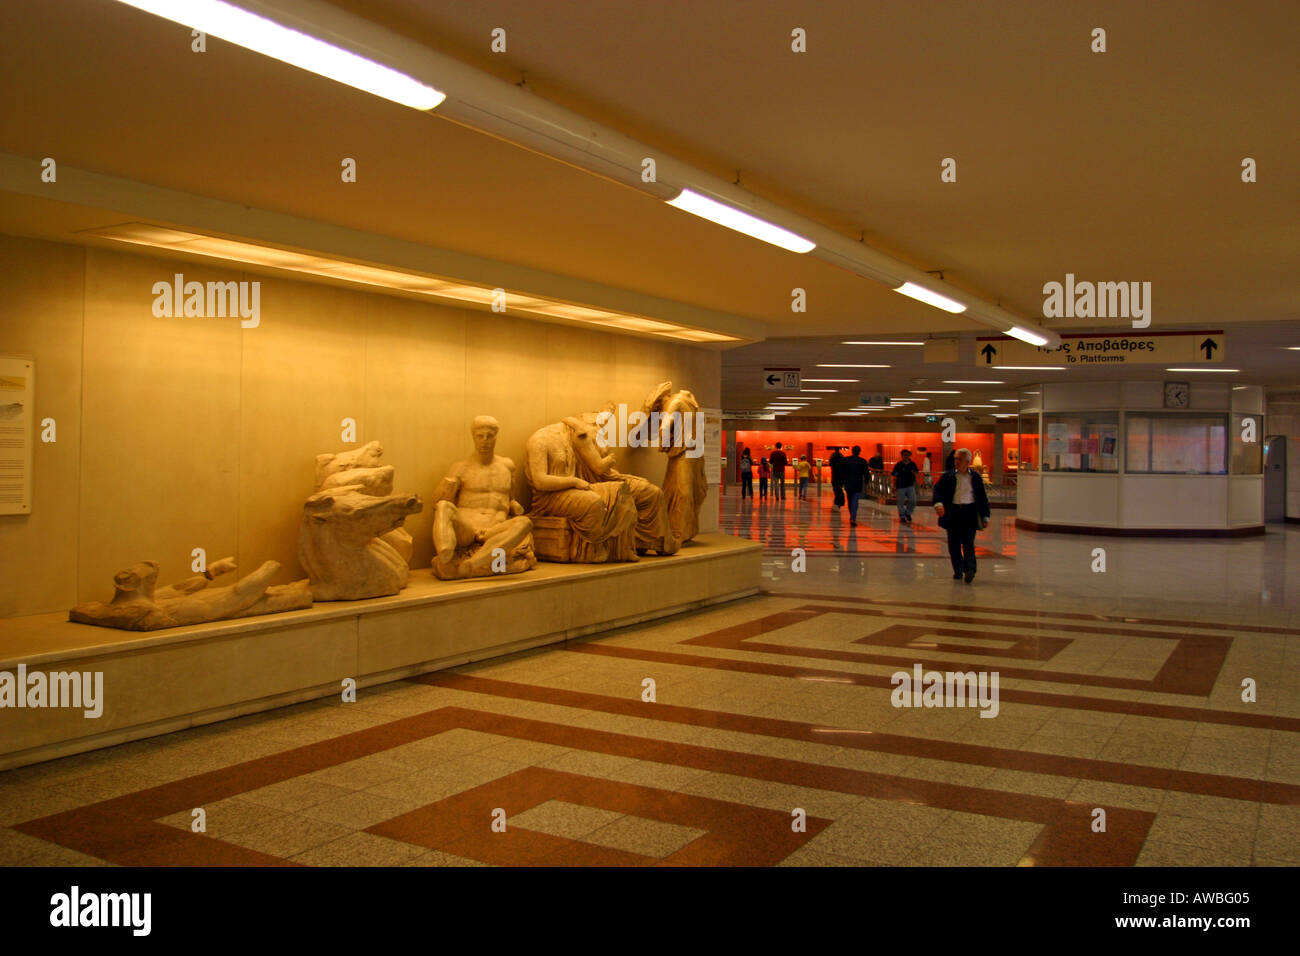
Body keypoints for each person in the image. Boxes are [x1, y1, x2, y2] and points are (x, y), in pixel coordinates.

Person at [932, 448, 991, 584]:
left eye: (960, 459)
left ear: (968, 462)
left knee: (968, 543)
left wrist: (985, 516)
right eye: (955, 459)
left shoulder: (975, 477)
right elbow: (938, 489)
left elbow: (982, 497)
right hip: (953, 512)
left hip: (969, 512)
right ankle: (958, 570)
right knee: (954, 544)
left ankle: (970, 569)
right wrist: (939, 504)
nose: (956, 461)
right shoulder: (949, 476)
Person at [841, 445, 869, 527]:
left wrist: (841, 481)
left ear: (852, 451)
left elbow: (842, 472)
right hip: (858, 484)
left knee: (850, 500)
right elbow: (866, 473)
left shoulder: (846, 460)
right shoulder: (862, 461)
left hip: (848, 483)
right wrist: (867, 481)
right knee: (855, 501)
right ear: (859, 452)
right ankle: (853, 517)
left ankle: (852, 516)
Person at [891, 448, 920, 525]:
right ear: (902, 456)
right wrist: (894, 486)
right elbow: (894, 475)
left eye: (907, 455)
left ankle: (908, 512)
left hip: (910, 485)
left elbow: (917, 473)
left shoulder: (912, 464)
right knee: (900, 503)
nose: (905, 457)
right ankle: (902, 516)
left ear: (909, 455)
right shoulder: (899, 465)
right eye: (904, 455)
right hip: (901, 486)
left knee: (913, 500)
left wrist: (914, 474)